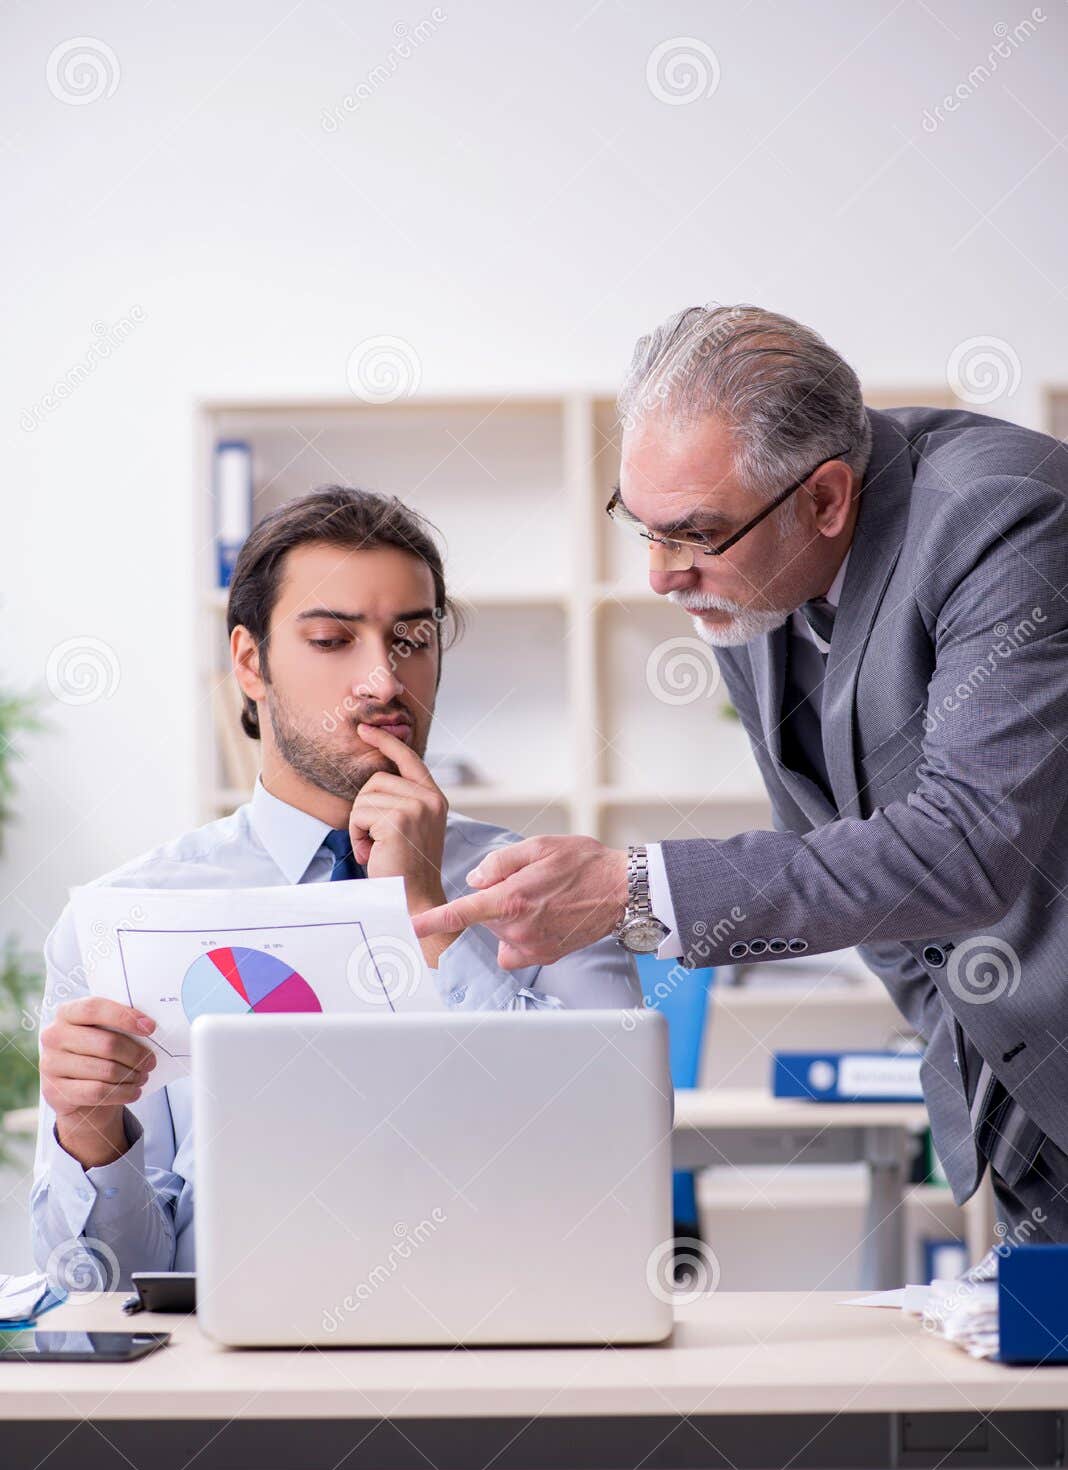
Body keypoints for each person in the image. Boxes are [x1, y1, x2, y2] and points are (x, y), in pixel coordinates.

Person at [415, 304, 1068, 1239]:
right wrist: (978, 1053)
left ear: (828, 499)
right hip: (1019, 1094)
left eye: (691, 533)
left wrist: (631, 890)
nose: (660, 576)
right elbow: (835, 852)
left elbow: (966, 845)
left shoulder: (1005, 516)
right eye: (641, 528)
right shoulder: (747, 574)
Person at [31, 486, 638, 1282]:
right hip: (235, 1378)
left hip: (507, 1348)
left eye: (412, 640)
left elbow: (612, 1172)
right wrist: (89, 1133)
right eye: (331, 640)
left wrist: (421, 913)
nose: (384, 682)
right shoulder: (123, 921)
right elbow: (104, 1287)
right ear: (250, 663)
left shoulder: (553, 890)